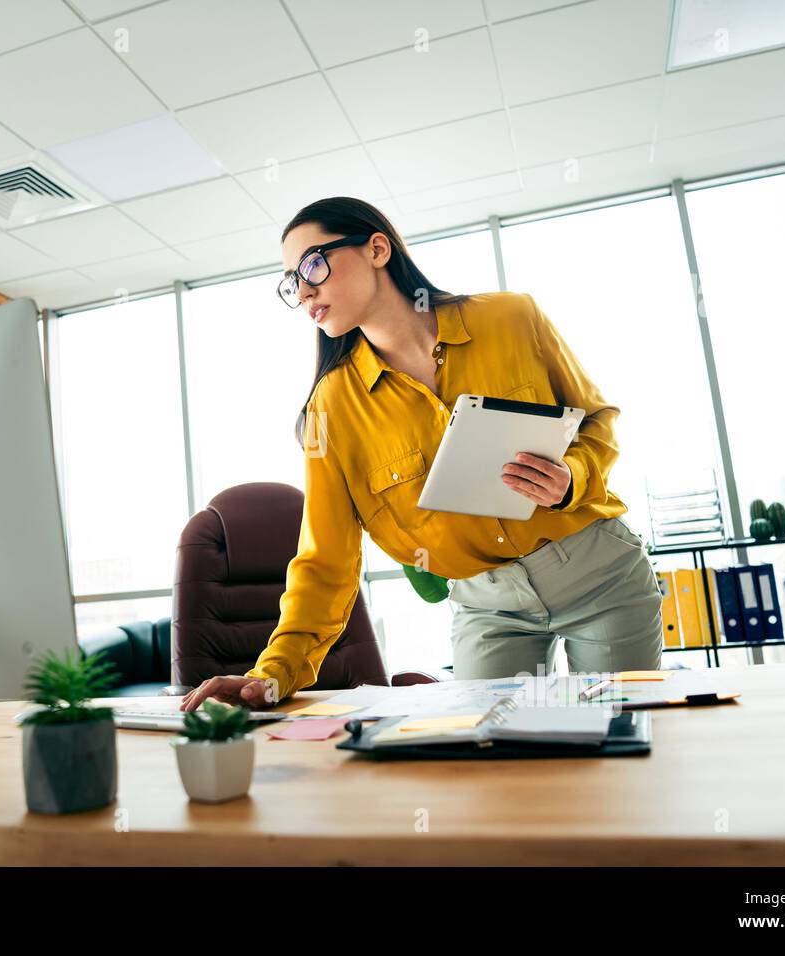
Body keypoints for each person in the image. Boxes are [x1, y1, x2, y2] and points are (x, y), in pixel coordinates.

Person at [181, 196, 662, 712]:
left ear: (377, 249)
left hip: (598, 573)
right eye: (290, 282)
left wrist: (572, 475)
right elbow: (326, 560)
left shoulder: (512, 318)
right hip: (488, 608)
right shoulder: (331, 408)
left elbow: (597, 422)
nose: (302, 291)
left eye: (312, 265)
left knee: (624, 739)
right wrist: (272, 674)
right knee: (496, 771)